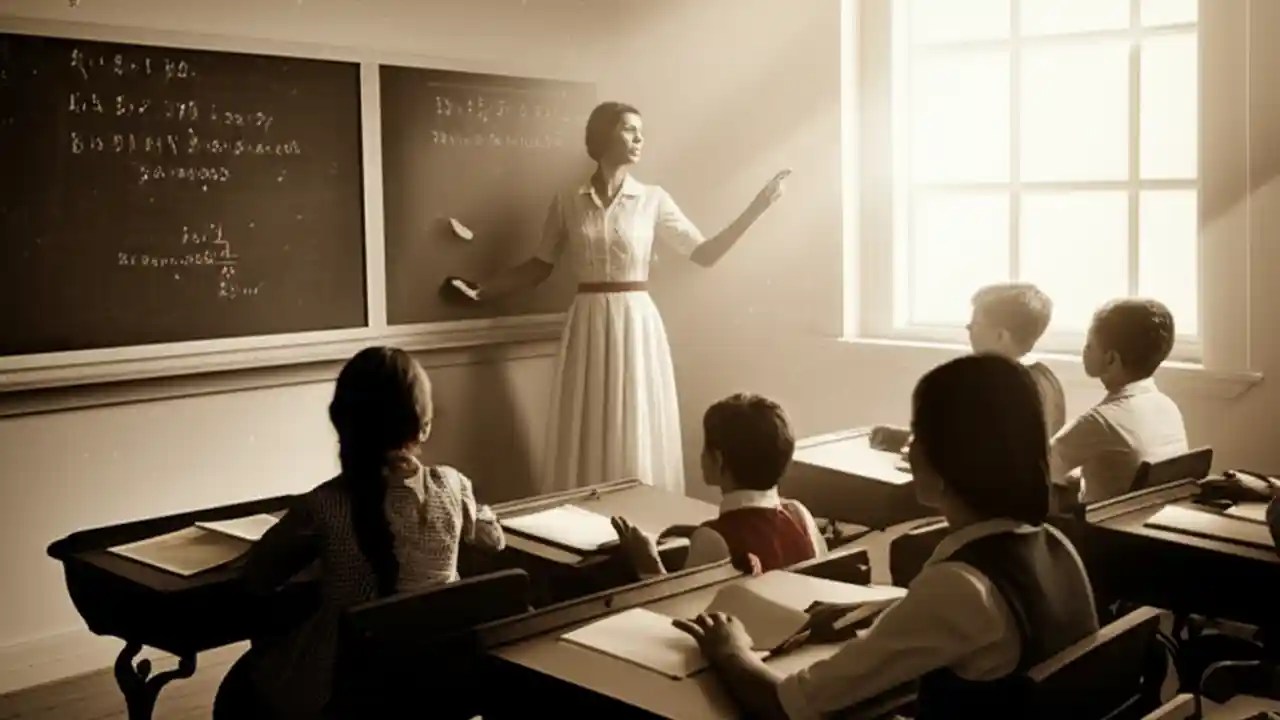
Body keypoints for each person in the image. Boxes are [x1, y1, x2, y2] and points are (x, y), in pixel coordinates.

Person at [674, 354, 1100, 719]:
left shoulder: (961, 587)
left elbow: (788, 705)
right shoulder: (1056, 545)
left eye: (918, 433)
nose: (909, 448)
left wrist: (732, 650)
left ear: (951, 458)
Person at [446, 101, 789, 495]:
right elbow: (540, 266)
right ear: (603, 135)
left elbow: (705, 253)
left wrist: (758, 207)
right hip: (588, 321)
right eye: (628, 129)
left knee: (633, 418)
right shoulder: (567, 200)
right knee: (589, 419)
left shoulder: (653, 199)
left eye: (641, 130)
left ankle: (641, 512)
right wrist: (483, 290)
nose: (639, 138)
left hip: (635, 320)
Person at [212, 346, 505, 720]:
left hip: (345, 691)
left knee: (240, 687)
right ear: (424, 426)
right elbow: (492, 541)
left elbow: (259, 576)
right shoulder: (452, 484)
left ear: (340, 423)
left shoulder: (321, 507)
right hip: (432, 684)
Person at [611, 393, 825, 578]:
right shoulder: (800, 515)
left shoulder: (713, 539)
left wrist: (647, 561)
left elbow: (683, 613)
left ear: (719, 459)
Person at [1050, 298, 1188, 504]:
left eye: (1090, 345)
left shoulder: (1100, 422)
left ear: (1111, 359)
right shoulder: (1167, 407)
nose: (1084, 351)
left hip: (1101, 531)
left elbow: (1037, 471)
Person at [968, 282, 1065, 436]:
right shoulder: (1047, 380)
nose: (969, 329)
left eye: (975, 324)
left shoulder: (991, 388)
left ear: (1001, 336)